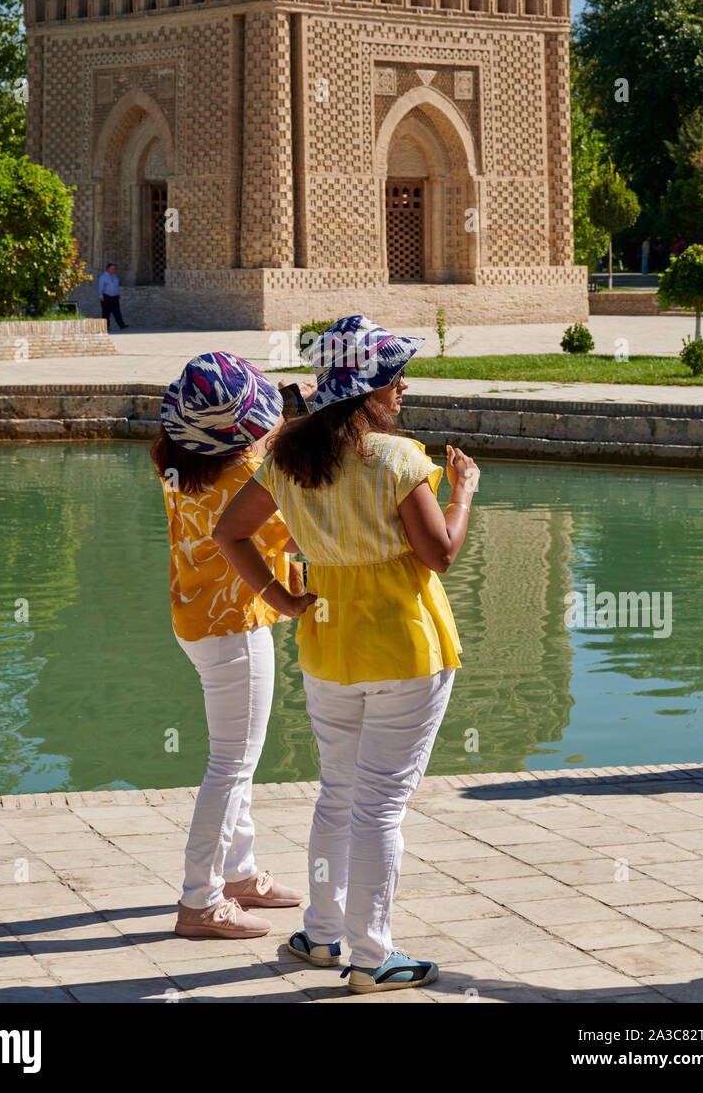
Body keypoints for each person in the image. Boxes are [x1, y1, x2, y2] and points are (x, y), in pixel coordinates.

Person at [215, 315, 480, 994]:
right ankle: (371, 955)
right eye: (392, 380)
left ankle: (323, 934)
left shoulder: (286, 461)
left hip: (329, 645)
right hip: (404, 646)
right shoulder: (397, 460)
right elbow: (441, 554)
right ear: (365, 393)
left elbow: (230, 533)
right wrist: (464, 491)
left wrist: (279, 597)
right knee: (381, 807)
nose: (402, 390)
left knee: (337, 793)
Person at [151, 353, 316, 940]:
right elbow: (301, 535)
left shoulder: (173, 461)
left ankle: (239, 873)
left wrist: (283, 411)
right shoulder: (240, 480)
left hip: (194, 616)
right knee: (232, 764)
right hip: (234, 631)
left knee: (234, 758)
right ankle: (200, 899)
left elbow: (249, 440)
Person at [97, 263, 127, 330]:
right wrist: (100, 295)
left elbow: (116, 286)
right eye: (112, 269)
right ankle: (106, 327)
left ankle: (121, 325)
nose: (113, 270)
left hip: (114, 297)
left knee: (117, 312)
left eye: (114, 269)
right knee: (106, 313)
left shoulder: (114, 276)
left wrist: (118, 293)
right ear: (107, 269)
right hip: (106, 296)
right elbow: (100, 287)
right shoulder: (103, 276)